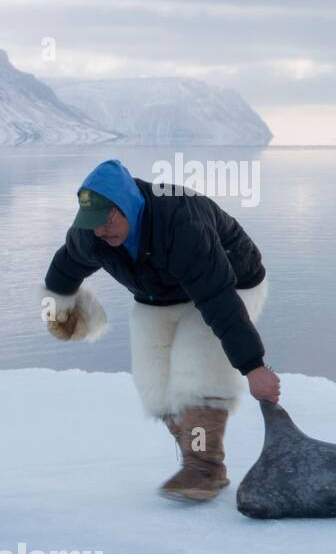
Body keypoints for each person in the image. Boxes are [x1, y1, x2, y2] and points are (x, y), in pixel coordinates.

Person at [39, 159, 279, 502]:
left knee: (198, 369)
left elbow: (216, 298)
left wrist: (253, 366)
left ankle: (204, 470)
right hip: (160, 292)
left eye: (107, 221)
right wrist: (60, 306)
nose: (101, 233)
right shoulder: (92, 235)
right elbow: (66, 266)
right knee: (156, 383)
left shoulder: (181, 224)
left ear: (128, 205)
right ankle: (194, 447)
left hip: (231, 282)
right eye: (93, 225)